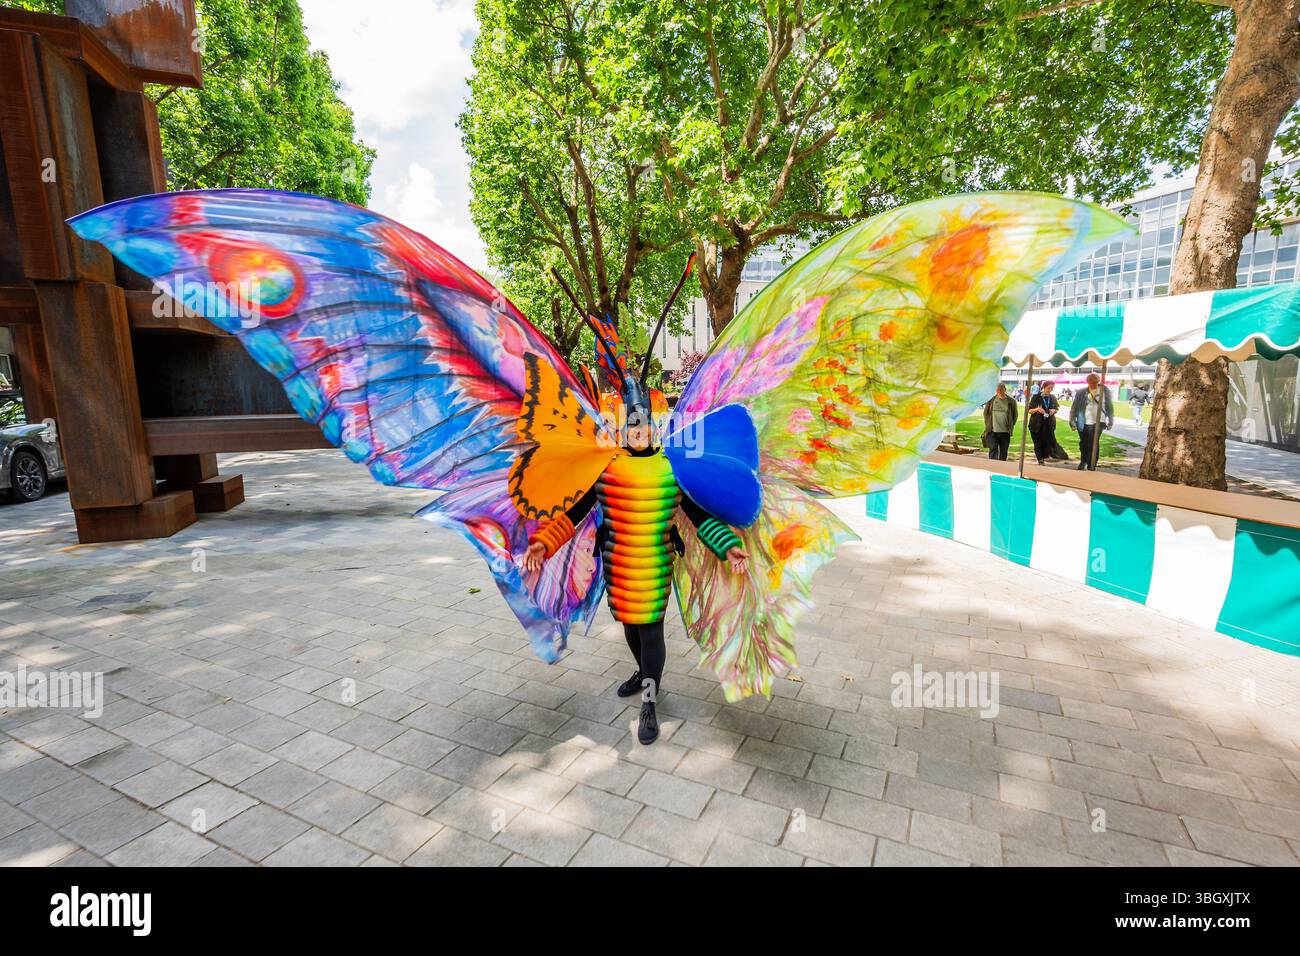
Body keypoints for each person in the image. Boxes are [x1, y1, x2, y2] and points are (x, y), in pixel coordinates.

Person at [525, 379, 748, 746]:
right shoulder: (607, 470)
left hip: (655, 566)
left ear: (653, 427)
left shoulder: (670, 469)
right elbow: (576, 513)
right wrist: (543, 544)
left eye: (643, 425)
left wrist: (728, 547)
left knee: (651, 632)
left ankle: (649, 702)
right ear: (622, 429)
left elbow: (696, 515)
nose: (638, 431)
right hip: (619, 569)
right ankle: (644, 673)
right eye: (631, 426)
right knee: (631, 628)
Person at [1070, 372, 1114, 470]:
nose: (1093, 385)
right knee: (1083, 443)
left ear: (1098, 381)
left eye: (1095, 383)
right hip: (1083, 421)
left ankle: (1092, 463)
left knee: (1093, 443)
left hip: (1099, 421)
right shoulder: (1081, 392)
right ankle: (1083, 461)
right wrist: (1072, 421)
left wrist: (1110, 420)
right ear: (1087, 382)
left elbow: (1109, 406)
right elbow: (1074, 407)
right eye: (1090, 383)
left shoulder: (1104, 390)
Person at [1027, 380, 1061, 465]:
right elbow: (1029, 410)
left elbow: (1057, 408)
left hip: (1049, 424)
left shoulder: (1052, 397)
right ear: (1044, 387)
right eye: (1049, 388)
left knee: (1046, 442)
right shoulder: (1036, 397)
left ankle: (1044, 457)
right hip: (1036, 425)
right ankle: (1040, 460)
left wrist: (1054, 410)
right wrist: (1037, 409)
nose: (1050, 390)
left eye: (1052, 388)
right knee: (1037, 443)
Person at [982, 383, 1018, 461]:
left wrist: (1011, 425)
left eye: (1001, 389)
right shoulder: (991, 400)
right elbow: (986, 413)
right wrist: (988, 425)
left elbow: (1015, 415)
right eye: (998, 390)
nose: (999, 391)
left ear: (1005, 390)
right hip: (992, 431)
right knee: (993, 450)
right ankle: (992, 467)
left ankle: (1001, 469)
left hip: (1005, 432)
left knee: (1003, 453)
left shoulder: (1011, 401)